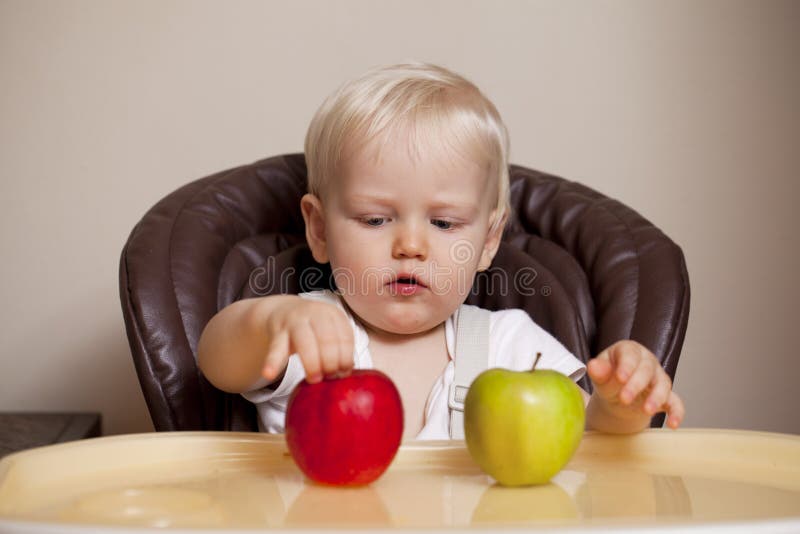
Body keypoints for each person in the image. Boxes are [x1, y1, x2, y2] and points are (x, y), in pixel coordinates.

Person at [197, 62, 685, 440]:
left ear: (489, 241)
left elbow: (585, 443)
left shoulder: (509, 346)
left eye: (444, 223)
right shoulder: (312, 334)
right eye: (375, 219)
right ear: (320, 231)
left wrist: (617, 408)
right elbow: (216, 360)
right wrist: (270, 322)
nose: (411, 245)